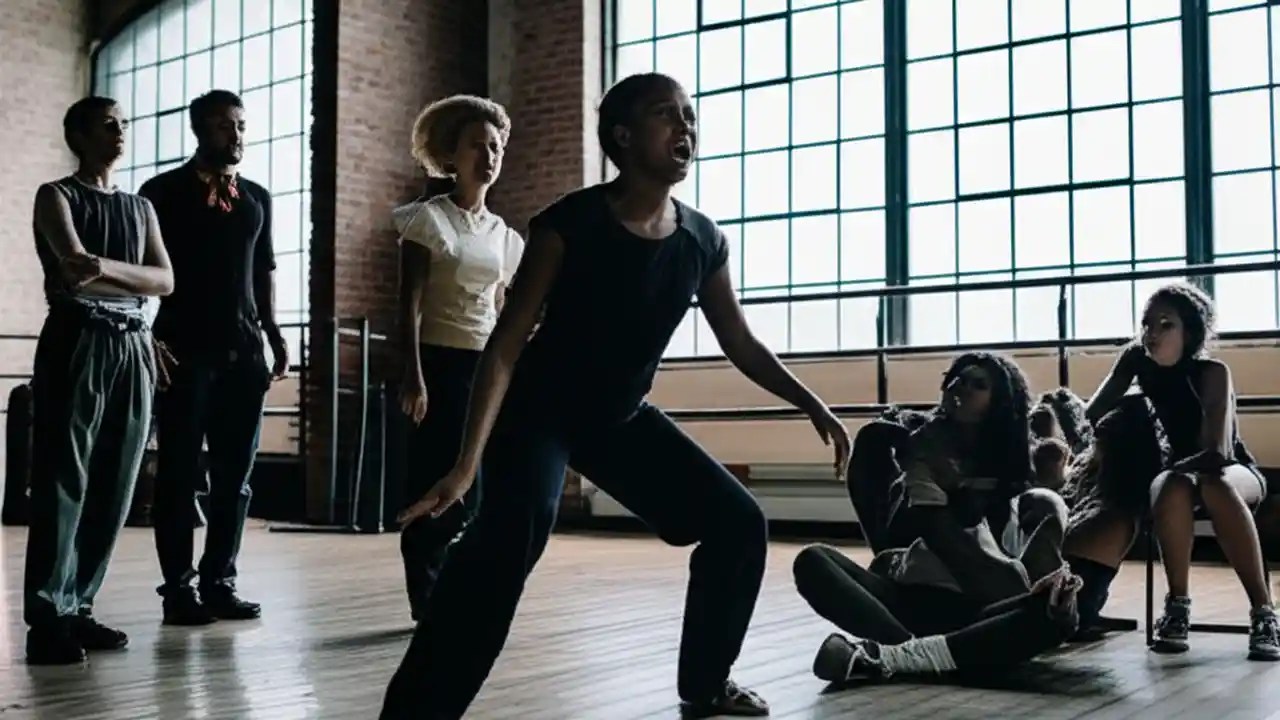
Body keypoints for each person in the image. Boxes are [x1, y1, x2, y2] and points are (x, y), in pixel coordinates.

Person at [378, 72, 851, 719]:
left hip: (618, 419)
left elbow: (740, 342)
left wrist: (812, 404)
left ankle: (706, 685)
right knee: (508, 540)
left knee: (739, 523)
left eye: (690, 115)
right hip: (538, 415)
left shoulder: (702, 241)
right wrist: (464, 467)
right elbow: (506, 346)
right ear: (623, 137)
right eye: (667, 115)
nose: (685, 128)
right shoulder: (566, 225)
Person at [795, 352, 1081, 682]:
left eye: (979, 385)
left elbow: (1001, 583)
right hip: (908, 601)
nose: (962, 387)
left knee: (1056, 617)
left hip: (975, 609)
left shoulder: (1010, 469)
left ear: (1000, 402)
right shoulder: (923, 451)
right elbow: (921, 535)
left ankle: (892, 657)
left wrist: (952, 487)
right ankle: (915, 655)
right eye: (957, 379)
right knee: (813, 560)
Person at [24, 96, 174, 664]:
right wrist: (124, 278)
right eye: (108, 124)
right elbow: (70, 268)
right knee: (65, 476)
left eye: (124, 123)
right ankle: (47, 617)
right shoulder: (55, 195)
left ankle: (80, 607)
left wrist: (106, 268)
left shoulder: (140, 208)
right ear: (78, 135)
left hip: (134, 345)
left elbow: (165, 281)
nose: (120, 131)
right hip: (78, 338)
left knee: (116, 480)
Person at [138, 89, 287, 626]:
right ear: (200, 130)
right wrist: (145, 335)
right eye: (225, 126)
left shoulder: (257, 199)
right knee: (178, 475)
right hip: (182, 350)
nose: (237, 135)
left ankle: (219, 583)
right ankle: (178, 591)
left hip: (244, 353)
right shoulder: (160, 192)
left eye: (241, 125)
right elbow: (139, 268)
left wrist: (274, 334)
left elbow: (262, 271)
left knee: (235, 478)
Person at [1080, 283, 1279, 660]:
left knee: (1212, 485)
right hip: (1178, 477)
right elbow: (1091, 414)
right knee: (1171, 485)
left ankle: (1264, 614)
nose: (1152, 333)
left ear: (1190, 332)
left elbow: (1217, 453)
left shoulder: (1213, 371)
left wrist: (1179, 470)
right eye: (1146, 324)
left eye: (1165, 324)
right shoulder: (1136, 361)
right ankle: (1177, 608)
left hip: (1232, 472)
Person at [393, 94, 524, 622]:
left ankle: (458, 592)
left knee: (480, 489)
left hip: (484, 369)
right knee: (434, 484)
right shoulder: (427, 220)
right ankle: (426, 599)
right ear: (451, 156)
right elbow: (408, 305)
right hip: (438, 368)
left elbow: (497, 309)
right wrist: (413, 376)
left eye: (495, 146)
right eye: (476, 146)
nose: (488, 156)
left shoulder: (505, 237)